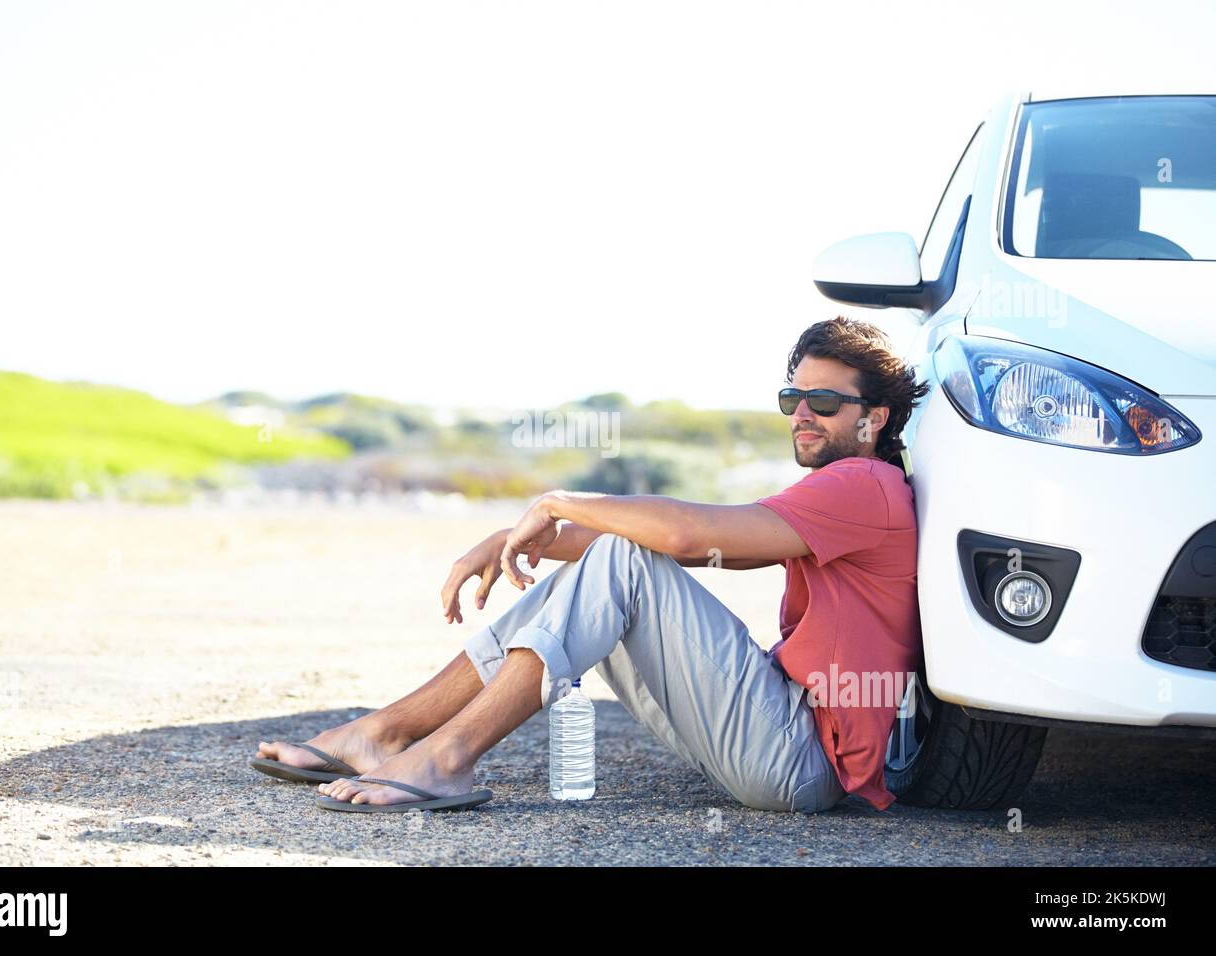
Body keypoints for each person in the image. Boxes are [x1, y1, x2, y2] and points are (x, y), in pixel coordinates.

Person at [252, 315, 929, 813]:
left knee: (622, 559)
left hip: (800, 758)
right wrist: (523, 539)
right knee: (618, 557)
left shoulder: (862, 486)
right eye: (792, 399)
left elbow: (689, 536)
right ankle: (384, 733)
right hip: (781, 746)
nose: (802, 415)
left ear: (876, 415)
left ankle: (440, 754)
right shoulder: (846, 495)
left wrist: (554, 505)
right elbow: (700, 544)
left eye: (826, 402)